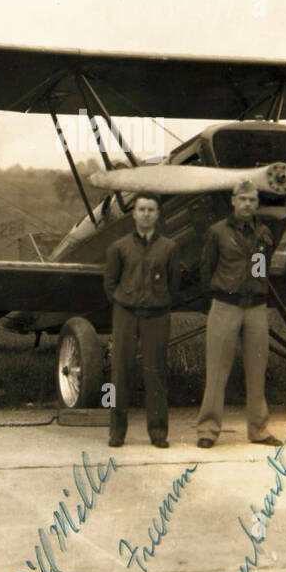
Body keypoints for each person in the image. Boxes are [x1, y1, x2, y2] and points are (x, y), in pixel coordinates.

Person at [196, 180, 282, 449]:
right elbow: (206, 271)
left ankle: (259, 429)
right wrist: (222, 295)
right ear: (233, 201)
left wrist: (255, 289)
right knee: (217, 371)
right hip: (225, 306)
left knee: (257, 371)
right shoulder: (217, 233)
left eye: (252, 200)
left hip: (255, 308)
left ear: (256, 203)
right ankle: (208, 430)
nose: (247, 204)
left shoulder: (263, 233)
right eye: (243, 199)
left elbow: (260, 270)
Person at [102, 192, 181, 448]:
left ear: (158, 214)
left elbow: (174, 283)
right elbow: (110, 283)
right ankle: (116, 431)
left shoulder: (169, 247)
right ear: (134, 214)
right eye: (141, 209)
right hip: (125, 314)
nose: (146, 214)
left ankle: (158, 432)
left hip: (156, 316)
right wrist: (126, 301)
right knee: (120, 373)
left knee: (155, 373)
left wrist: (159, 301)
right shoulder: (119, 247)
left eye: (151, 210)